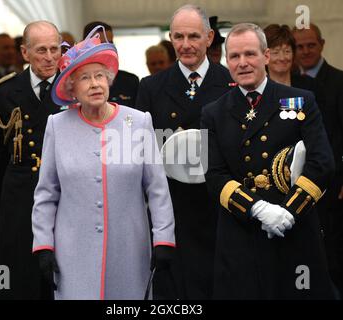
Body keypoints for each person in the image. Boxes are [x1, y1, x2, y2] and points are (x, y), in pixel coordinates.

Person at [31, 25, 175, 300]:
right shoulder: (57, 126)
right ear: (72, 87)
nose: (95, 84)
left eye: (100, 75)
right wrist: (44, 245)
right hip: (72, 252)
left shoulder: (139, 121)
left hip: (130, 249)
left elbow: (157, 189)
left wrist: (163, 238)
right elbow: (46, 193)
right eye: (85, 78)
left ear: (110, 79)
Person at [201, 22, 335, 299]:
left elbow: (322, 163)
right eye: (235, 56)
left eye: (250, 54)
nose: (243, 63)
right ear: (227, 61)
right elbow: (215, 176)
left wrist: (289, 212)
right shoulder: (214, 112)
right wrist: (258, 209)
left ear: (266, 56)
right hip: (242, 234)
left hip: (294, 232)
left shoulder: (300, 100)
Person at [136, 4, 232, 300]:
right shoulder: (151, 86)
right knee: (173, 289)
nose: (186, 45)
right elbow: (141, 151)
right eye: (179, 37)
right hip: (171, 207)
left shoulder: (232, 82)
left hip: (218, 207)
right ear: (171, 38)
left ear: (209, 37)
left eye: (194, 36)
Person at [0, 21, 63, 300]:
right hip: (21, 192)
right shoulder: (3, 91)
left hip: (64, 189)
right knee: (16, 267)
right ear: (25, 52)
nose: (49, 57)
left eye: (54, 49)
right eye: (41, 50)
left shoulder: (73, 86)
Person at [293, 23, 343, 296]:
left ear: (322, 45)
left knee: (332, 252)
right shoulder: (285, 85)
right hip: (299, 185)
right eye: (299, 46)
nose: (305, 51)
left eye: (310, 45)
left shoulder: (338, 82)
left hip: (334, 185)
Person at [263, 24, 325, 123]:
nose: (282, 58)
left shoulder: (311, 86)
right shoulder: (258, 89)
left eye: (287, 51)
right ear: (265, 56)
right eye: (275, 52)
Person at [83, 21, 139, 107]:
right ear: (85, 46)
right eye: (100, 44)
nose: (106, 48)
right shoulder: (76, 81)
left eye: (110, 43)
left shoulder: (130, 81)